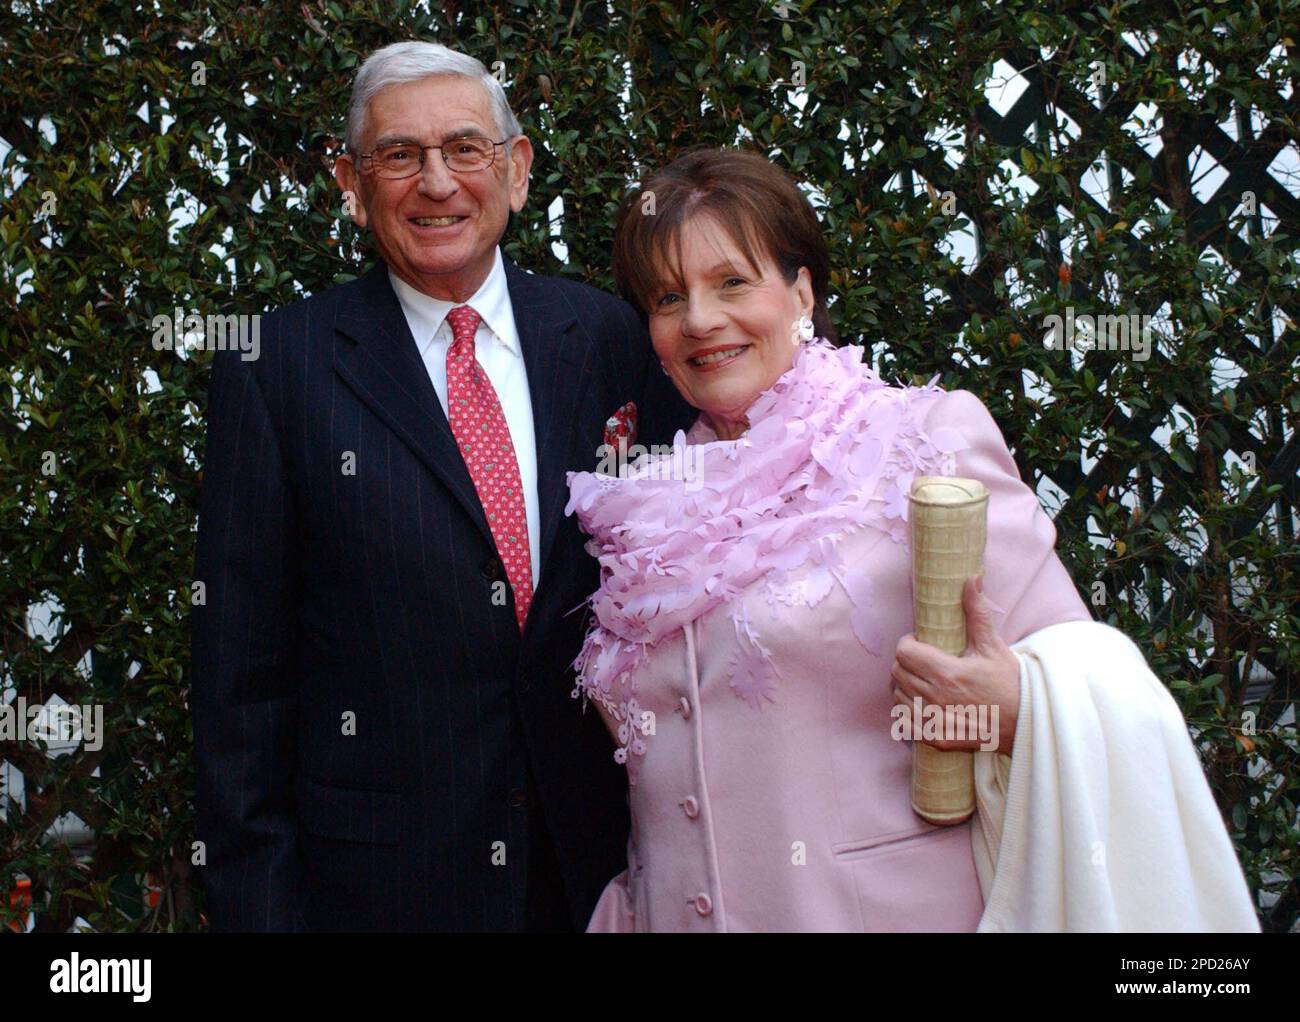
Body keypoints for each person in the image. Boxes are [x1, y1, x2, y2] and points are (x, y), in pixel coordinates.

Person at [564, 146, 1259, 932]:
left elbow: (1074, 662)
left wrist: (1019, 705)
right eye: (667, 297)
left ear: (800, 291)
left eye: (732, 282)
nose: (700, 319)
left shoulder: (923, 442)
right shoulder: (638, 510)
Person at [190, 41, 693, 932]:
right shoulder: (277, 370)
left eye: (466, 148)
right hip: (382, 893)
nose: (437, 183)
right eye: (398, 156)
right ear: (351, 181)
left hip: (601, 878)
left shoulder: (612, 336)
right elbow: (241, 696)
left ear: (518, 168)